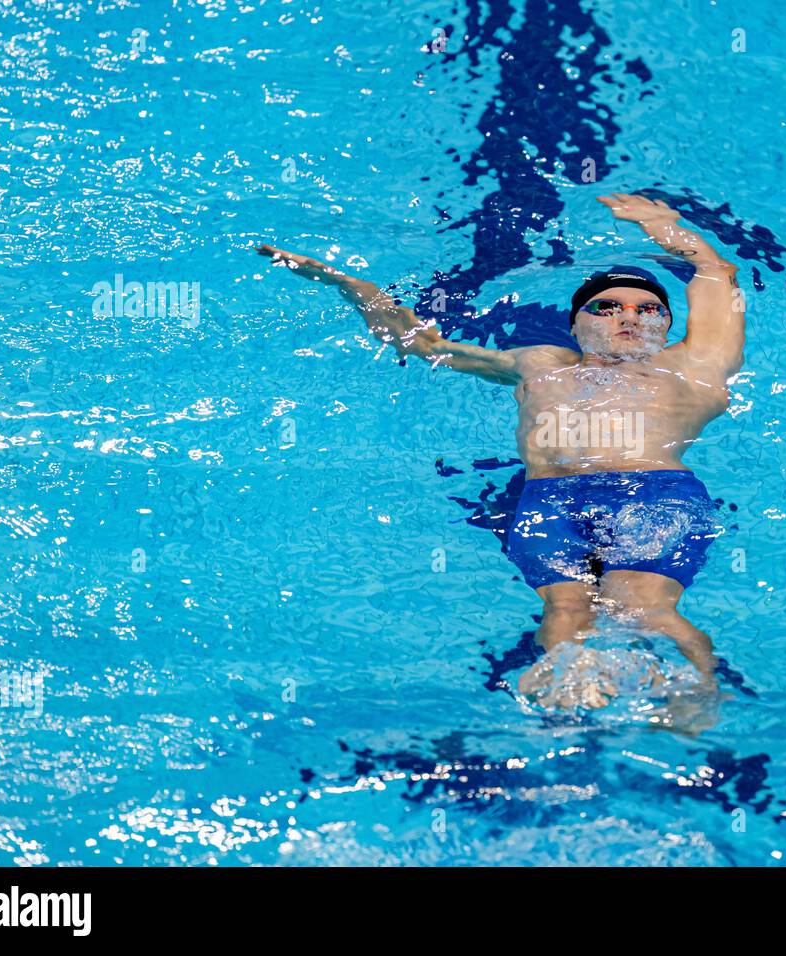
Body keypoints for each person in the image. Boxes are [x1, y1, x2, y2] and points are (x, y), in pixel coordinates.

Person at [258, 193, 744, 716]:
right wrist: (345, 284)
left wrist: (665, 226)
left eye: (648, 308)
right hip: (550, 500)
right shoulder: (539, 363)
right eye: (606, 307)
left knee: (642, 607)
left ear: (666, 325)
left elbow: (718, 274)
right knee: (565, 605)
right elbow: (421, 345)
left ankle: (697, 699)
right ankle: (566, 705)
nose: (628, 316)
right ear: (576, 325)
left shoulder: (696, 365)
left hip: (653, 494)